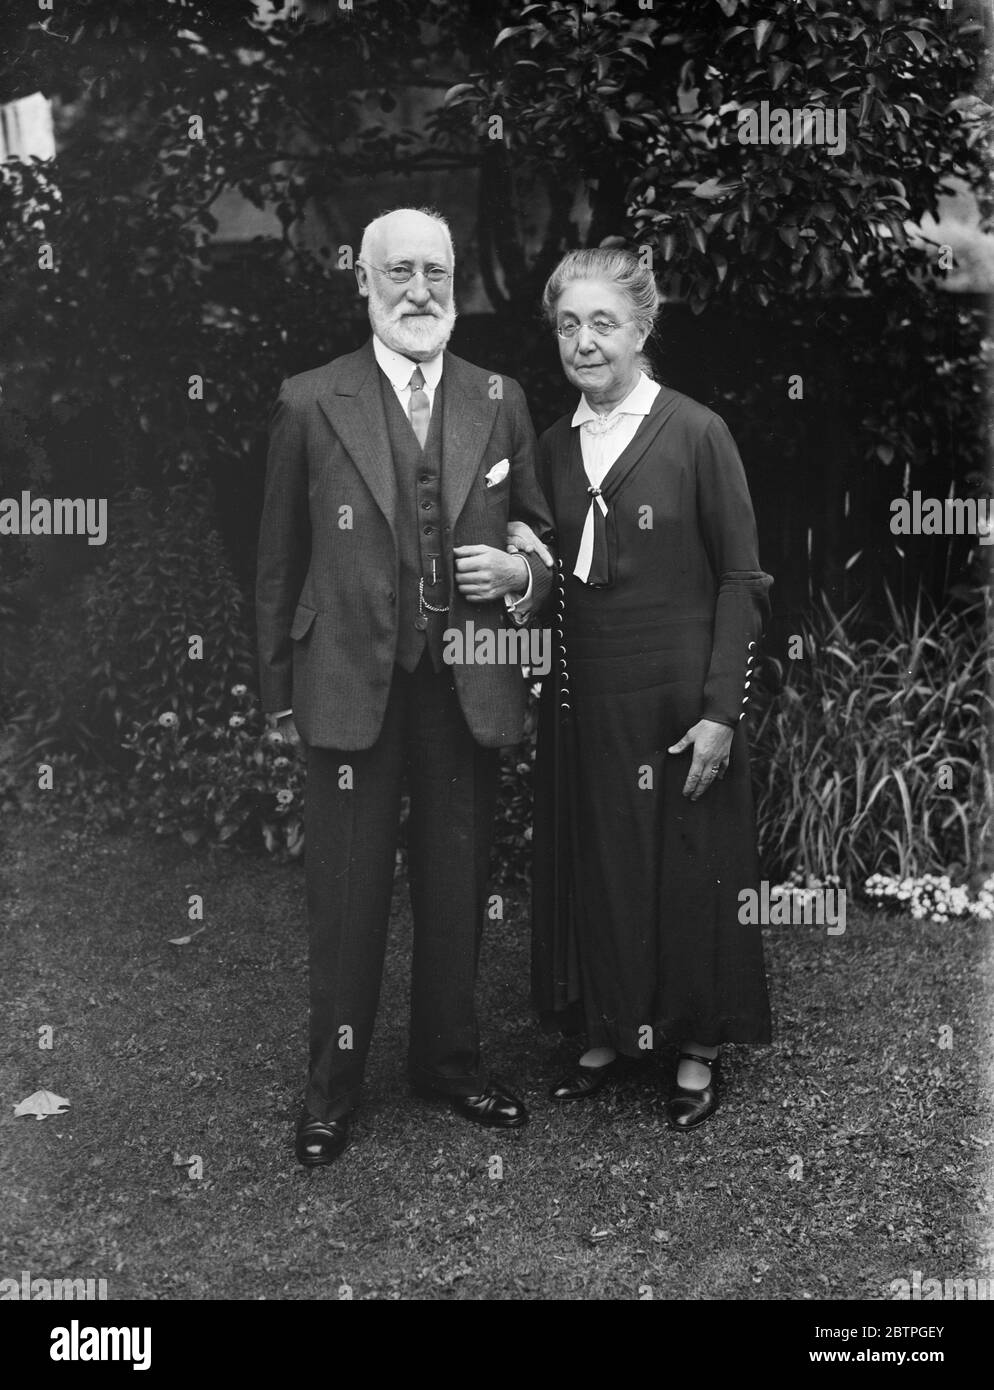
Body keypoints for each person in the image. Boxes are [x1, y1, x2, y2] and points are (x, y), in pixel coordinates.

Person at [256, 207, 555, 1166]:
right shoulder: (309, 401)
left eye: (436, 271)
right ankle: (330, 1090)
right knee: (346, 892)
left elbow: (538, 538)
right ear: (363, 281)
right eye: (399, 273)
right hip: (348, 676)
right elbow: (275, 560)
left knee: (457, 881)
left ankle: (450, 1063)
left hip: (467, 682)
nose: (419, 291)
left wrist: (524, 581)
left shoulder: (499, 396)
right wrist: (273, 695)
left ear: (456, 278)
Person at [522, 246, 773, 1129]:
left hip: (679, 697)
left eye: (603, 323)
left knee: (688, 865)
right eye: (568, 325)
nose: (584, 343)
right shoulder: (551, 447)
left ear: (642, 327)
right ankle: (608, 1030)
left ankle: (697, 1047)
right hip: (588, 698)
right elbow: (541, 571)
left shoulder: (698, 433)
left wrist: (720, 713)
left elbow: (742, 582)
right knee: (601, 861)